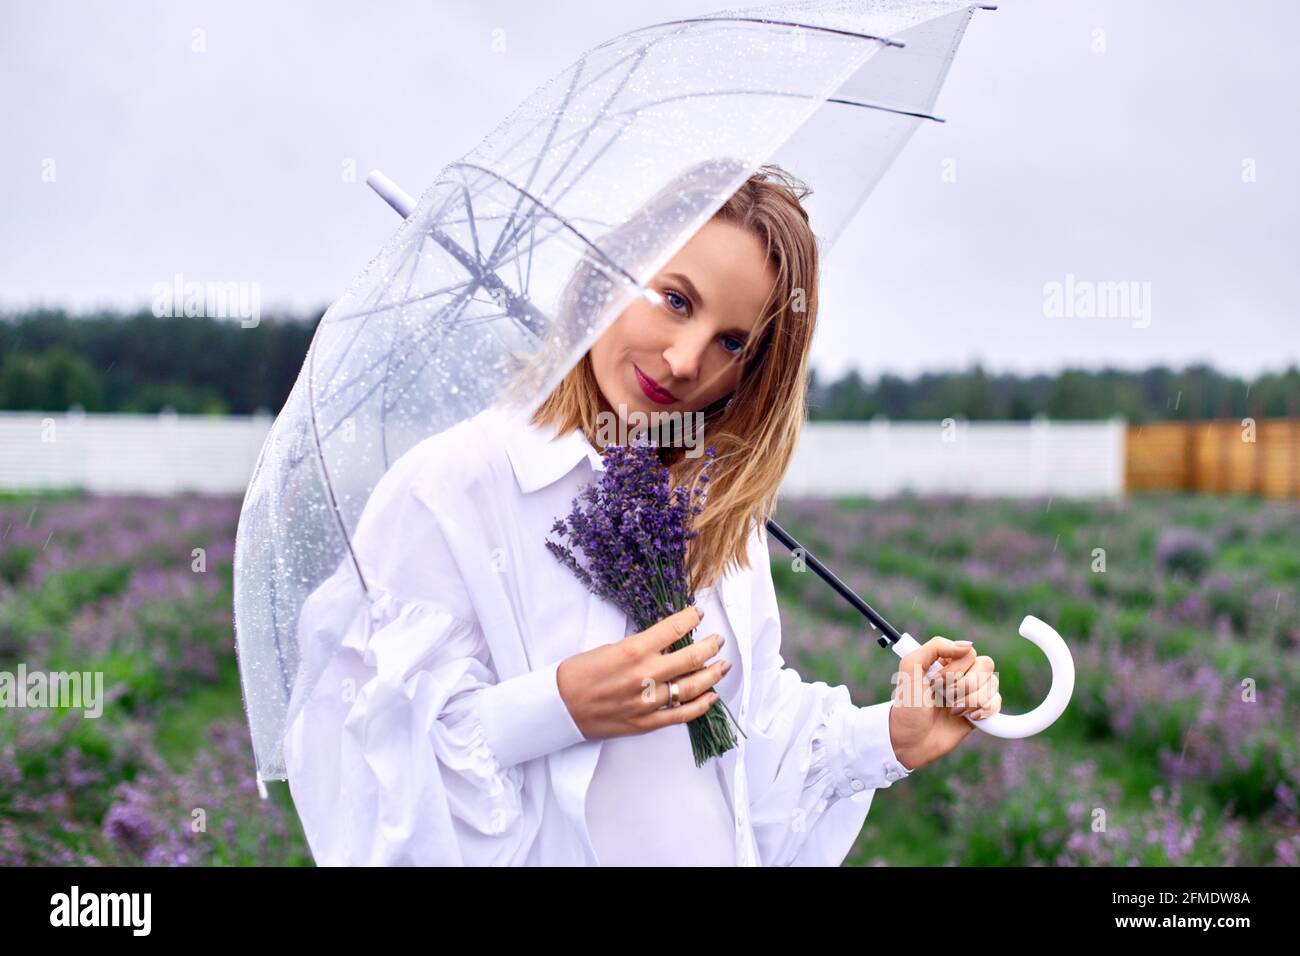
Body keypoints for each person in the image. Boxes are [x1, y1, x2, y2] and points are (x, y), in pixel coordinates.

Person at [283, 164, 1001, 866]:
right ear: (610, 275)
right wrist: (559, 704)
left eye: (733, 343)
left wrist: (891, 737)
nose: (687, 360)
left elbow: (740, 758)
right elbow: (375, 767)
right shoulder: (453, 490)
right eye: (677, 300)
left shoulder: (716, 508)